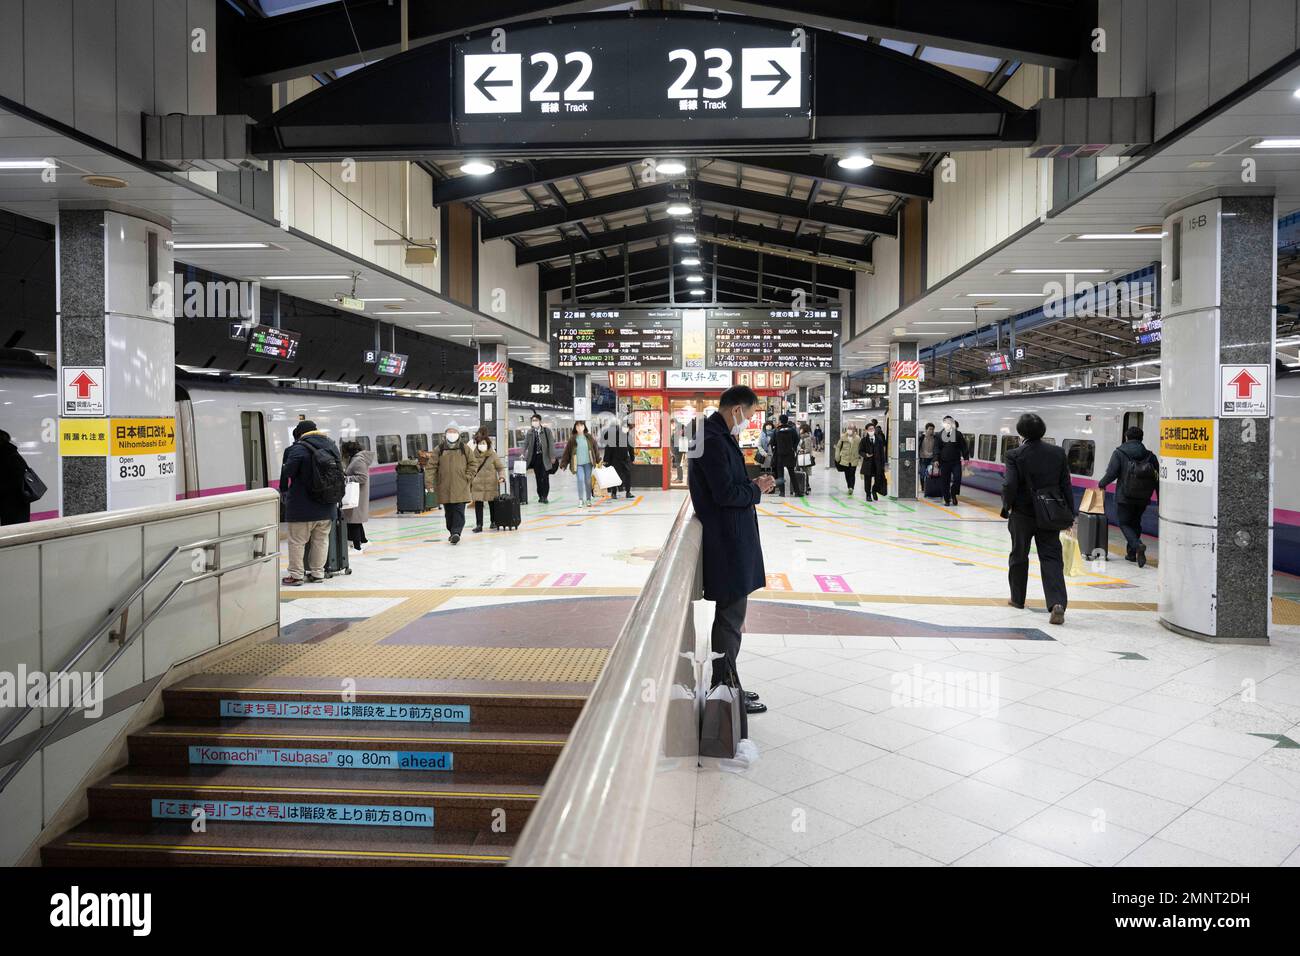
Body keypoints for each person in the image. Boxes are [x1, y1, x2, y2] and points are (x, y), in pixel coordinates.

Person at [688, 384, 775, 748]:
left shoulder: (712, 434)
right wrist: (757, 490)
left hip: (730, 538)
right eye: (750, 414)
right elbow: (724, 494)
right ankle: (723, 690)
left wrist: (751, 484)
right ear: (736, 409)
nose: (749, 421)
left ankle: (730, 684)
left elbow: (726, 484)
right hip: (727, 542)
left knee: (732, 618)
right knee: (730, 619)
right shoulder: (710, 437)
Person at [1000, 412, 1073, 625]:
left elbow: (1009, 484)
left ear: (1021, 432)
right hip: (1050, 514)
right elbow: (1065, 485)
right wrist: (1069, 514)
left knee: (1019, 555)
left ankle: (1017, 599)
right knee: (1051, 558)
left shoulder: (1014, 454)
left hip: (1022, 514)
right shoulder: (1058, 453)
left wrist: (1007, 506)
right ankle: (1057, 603)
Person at [279, 420, 344, 586]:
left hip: (302, 507)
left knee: (297, 542)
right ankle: (317, 573)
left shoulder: (297, 449)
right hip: (328, 504)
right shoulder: (331, 446)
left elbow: (288, 472)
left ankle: (296, 575)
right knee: (321, 541)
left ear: (299, 435)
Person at [1097, 426, 1160, 567]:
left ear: (1126, 438)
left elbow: (1112, 473)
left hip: (1124, 496)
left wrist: (1102, 484)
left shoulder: (1119, 453)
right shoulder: (1150, 456)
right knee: (1135, 523)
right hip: (1143, 497)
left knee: (1124, 523)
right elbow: (1157, 478)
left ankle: (1137, 546)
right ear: (1141, 439)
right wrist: (1159, 498)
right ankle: (1131, 554)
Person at [428, 424, 476, 544]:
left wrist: (468, 476)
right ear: (445, 434)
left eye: (454, 431)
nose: (452, 434)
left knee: (459, 510)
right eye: (449, 431)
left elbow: (473, 464)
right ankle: (452, 531)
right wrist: (429, 484)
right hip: (445, 486)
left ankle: (456, 532)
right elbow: (431, 467)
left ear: (458, 434)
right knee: (449, 513)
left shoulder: (464, 448)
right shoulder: (439, 449)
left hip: (461, 485)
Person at [468, 427, 507, 532]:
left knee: (492, 503)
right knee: (478, 504)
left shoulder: (493, 455)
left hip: (491, 483)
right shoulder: (472, 456)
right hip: (477, 484)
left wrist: (502, 477)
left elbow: (500, 468)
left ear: (488, 444)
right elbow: (469, 469)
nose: (482, 445)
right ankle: (479, 525)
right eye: (480, 443)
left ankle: (493, 522)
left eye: (484, 443)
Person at [340, 440, 373, 552]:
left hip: (357, 495)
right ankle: (364, 541)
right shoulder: (356, 459)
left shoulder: (358, 460)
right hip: (356, 494)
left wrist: (347, 478)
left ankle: (357, 548)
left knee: (353, 521)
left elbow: (362, 478)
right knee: (355, 520)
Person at [559, 421, 601, 508]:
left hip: (588, 463)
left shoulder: (589, 437)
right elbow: (567, 452)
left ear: (584, 427)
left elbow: (595, 449)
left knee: (588, 481)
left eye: (581, 425)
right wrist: (564, 464)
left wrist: (598, 460)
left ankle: (588, 499)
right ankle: (581, 500)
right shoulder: (572, 439)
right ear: (575, 428)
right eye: (577, 426)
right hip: (578, 464)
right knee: (580, 480)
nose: (579, 427)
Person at [935, 415, 970, 506]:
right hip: (944, 462)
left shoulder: (958, 434)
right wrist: (936, 459)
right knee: (945, 481)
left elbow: (963, 446)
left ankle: (953, 494)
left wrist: (966, 458)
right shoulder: (939, 435)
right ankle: (947, 499)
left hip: (955, 462)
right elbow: (937, 448)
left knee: (957, 479)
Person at [0, 430, 32, 525]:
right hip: (14, 501)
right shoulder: (11, 453)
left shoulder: (9, 455)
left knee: (14, 530)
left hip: (15, 501)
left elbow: (17, 479)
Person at [521, 414, 555, 504]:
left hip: (545, 458)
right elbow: (525, 444)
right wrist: (522, 453)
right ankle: (540, 496)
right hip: (535, 458)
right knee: (538, 478)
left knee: (545, 477)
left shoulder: (547, 431)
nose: (534, 422)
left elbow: (551, 444)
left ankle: (545, 496)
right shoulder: (530, 432)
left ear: (540, 421)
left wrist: (552, 456)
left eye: (536, 420)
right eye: (533, 420)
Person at [601, 420, 635, 500]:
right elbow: (607, 444)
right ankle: (614, 492)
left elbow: (631, 447)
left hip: (625, 459)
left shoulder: (627, 435)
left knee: (628, 474)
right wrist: (606, 460)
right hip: (615, 459)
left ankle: (628, 492)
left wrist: (632, 457)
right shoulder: (613, 433)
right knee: (615, 476)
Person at [770, 413, 800, 496]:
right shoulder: (792, 430)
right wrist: (793, 447)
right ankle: (797, 492)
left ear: (780, 421)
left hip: (780, 455)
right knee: (792, 473)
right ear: (787, 421)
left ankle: (782, 492)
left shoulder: (776, 430)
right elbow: (797, 440)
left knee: (780, 474)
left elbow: (772, 442)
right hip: (790, 454)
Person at [858, 421, 886, 502]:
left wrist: (883, 464)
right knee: (867, 480)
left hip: (877, 464)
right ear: (866, 430)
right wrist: (866, 455)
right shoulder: (863, 440)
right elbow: (860, 451)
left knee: (878, 479)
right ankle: (868, 494)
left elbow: (882, 453)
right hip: (868, 463)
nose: (871, 430)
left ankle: (874, 490)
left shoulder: (879, 440)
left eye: (873, 429)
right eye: (869, 429)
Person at [833, 425, 861, 494]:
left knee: (852, 473)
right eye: (848, 428)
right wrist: (837, 457)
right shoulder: (843, 437)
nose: (849, 430)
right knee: (847, 474)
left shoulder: (858, 439)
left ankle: (851, 487)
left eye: (851, 428)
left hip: (854, 459)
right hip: (844, 459)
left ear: (855, 430)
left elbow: (860, 448)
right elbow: (838, 447)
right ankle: (849, 486)